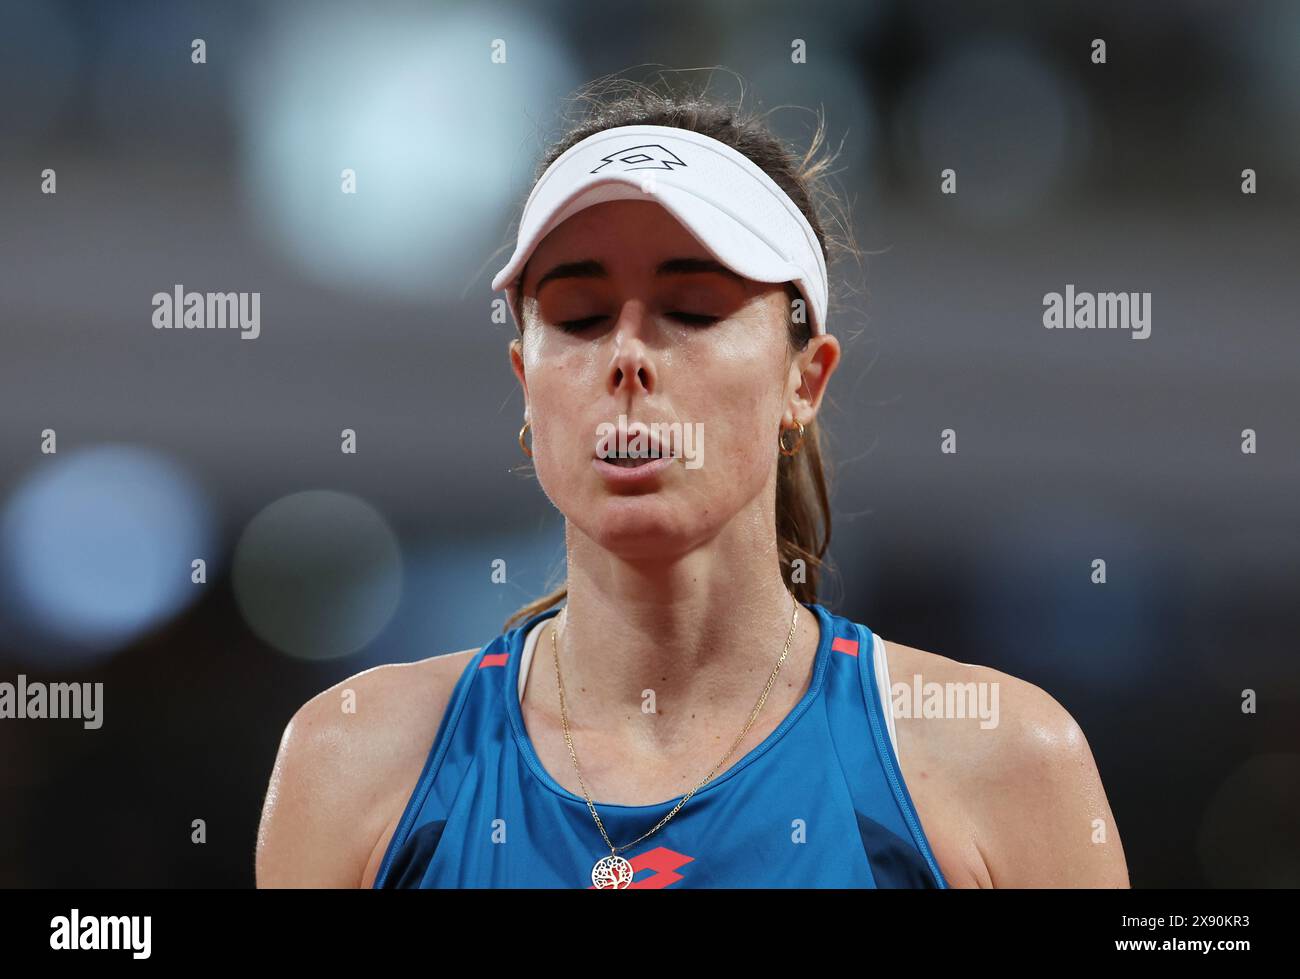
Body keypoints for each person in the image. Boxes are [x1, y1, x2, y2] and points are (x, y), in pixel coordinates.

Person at [256, 81, 1129, 889]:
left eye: (694, 309)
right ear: (526, 378)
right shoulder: (356, 757)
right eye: (580, 316)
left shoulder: (1000, 759)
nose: (628, 356)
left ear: (805, 380)